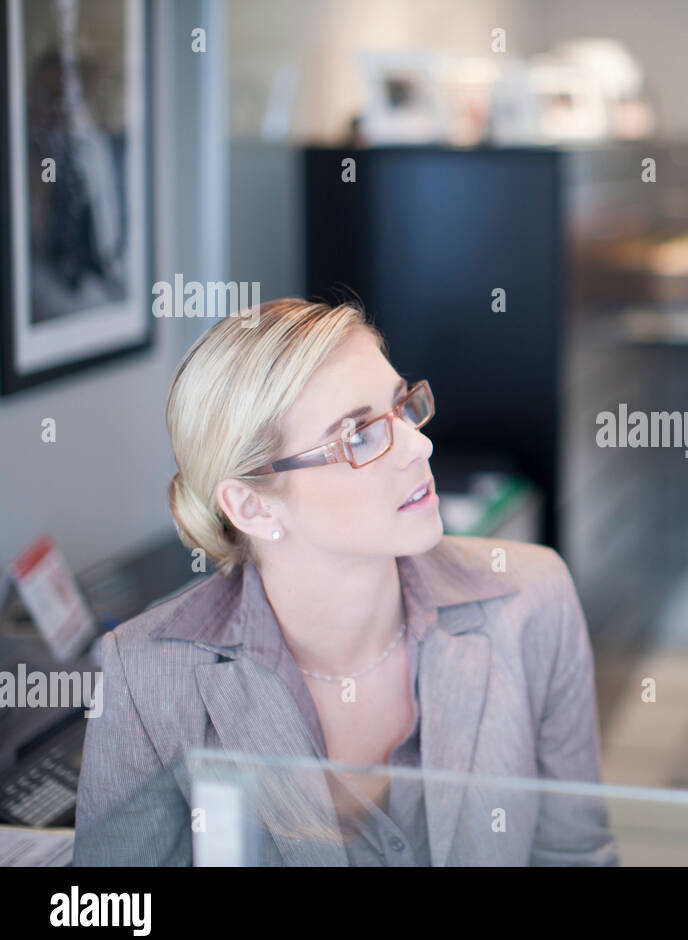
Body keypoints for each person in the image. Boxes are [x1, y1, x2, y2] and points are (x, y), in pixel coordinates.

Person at [73, 299, 617, 866]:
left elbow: (575, 856)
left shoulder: (532, 598)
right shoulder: (147, 673)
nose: (420, 445)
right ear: (252, 506)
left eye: (403, 408)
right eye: (357, 435)